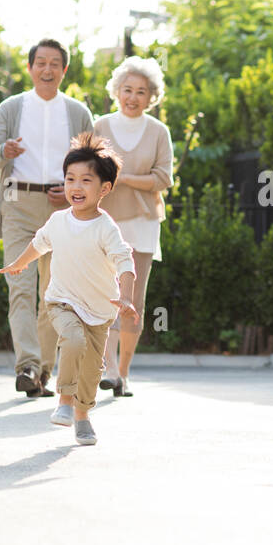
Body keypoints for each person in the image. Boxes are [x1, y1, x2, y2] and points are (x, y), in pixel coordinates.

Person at [0, 133, 137, 446]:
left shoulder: (105, 227)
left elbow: (125, 262)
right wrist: (19, 264)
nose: (76, 186)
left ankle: (83, 416)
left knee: (91, 369)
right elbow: (38, 244)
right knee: (71, 340)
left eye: (86, 180)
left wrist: (126, 296)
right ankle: (64, 399)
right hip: (61, 301)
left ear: (104, 188)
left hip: (99, 310)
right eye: (70, 178)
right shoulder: (58, 220)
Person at [0, 39, 94, 398]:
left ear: (64, 70)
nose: (47, 69)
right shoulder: (11, 108)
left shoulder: (78, 112)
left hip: (62, 208)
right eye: (40, 62)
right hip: (17, 204)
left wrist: (73, 190)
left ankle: (41, 371)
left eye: (54, 64)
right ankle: (27, 364)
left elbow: (94, 164)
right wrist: (6, 151)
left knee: (53, 293)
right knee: (20, 286)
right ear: (29, 68)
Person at [92, 56, 173, 397]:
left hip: (142, 224)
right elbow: (89, 173)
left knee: (133, 303)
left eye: (141, 91)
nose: (133, 97)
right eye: (127, 90)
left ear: (151, 96)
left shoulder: (158, 131)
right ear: (117, 91)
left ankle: (123, 371)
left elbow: (163, 179)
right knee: (105, 296)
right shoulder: (100, 127)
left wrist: (124, 177)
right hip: (105, 222)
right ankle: (108, 367)